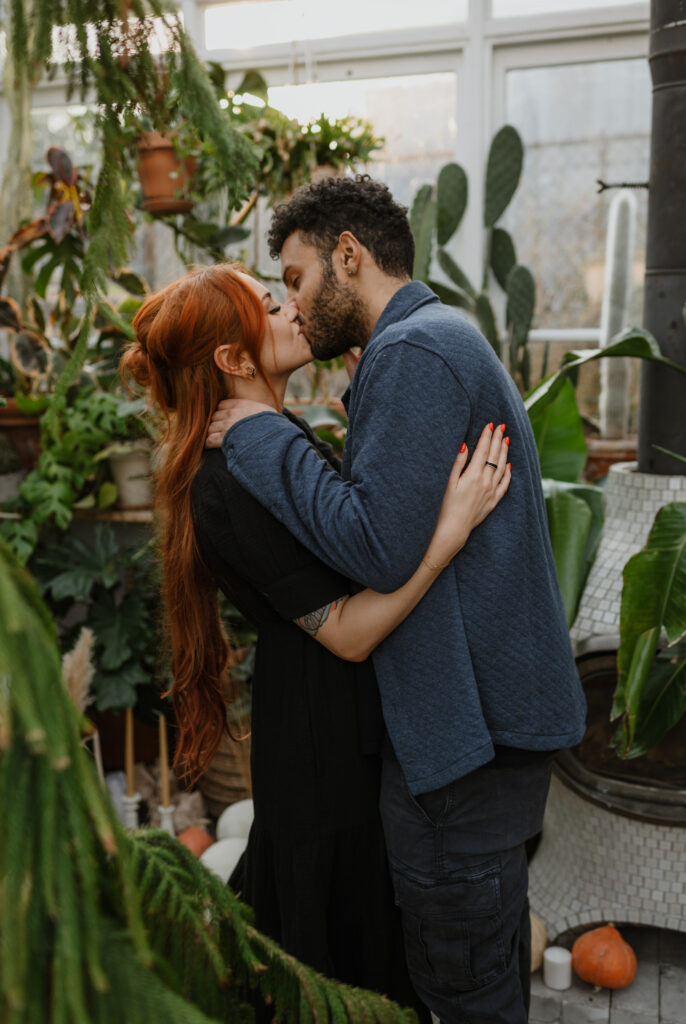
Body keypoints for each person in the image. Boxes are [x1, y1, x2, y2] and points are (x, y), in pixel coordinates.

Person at [205, 176, 588, 1024]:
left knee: (465, 997)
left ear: (350, 255)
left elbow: (377, 546)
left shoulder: (414, 351)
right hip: (477, 741)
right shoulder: (430, 337)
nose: (297, 307)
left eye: (298, 280)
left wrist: (261, 430)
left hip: (467, 752)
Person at [120, 261, 510, 1015]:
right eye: (271, 305)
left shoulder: (261, 438)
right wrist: (448, 534)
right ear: (233, 360)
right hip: (321, 744)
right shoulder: (226, 481)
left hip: (339, 727)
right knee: (339, 966)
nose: (294, 308)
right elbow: (349, 635)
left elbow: (352, 531)